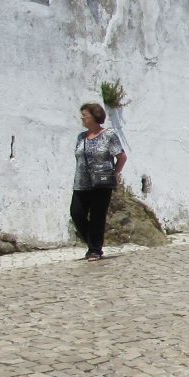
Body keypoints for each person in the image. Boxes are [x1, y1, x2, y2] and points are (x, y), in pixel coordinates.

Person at [71, 102, 126, 261]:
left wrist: (115, 173)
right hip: (81, 183)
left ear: (95, 117)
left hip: (101, 182)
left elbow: (121, 156)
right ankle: (93, 242)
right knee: (76, 213)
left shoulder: (109, 135)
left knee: (97, 216)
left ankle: (95, 250)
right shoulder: (81, 137)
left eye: (85, 114)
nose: (82, 117)